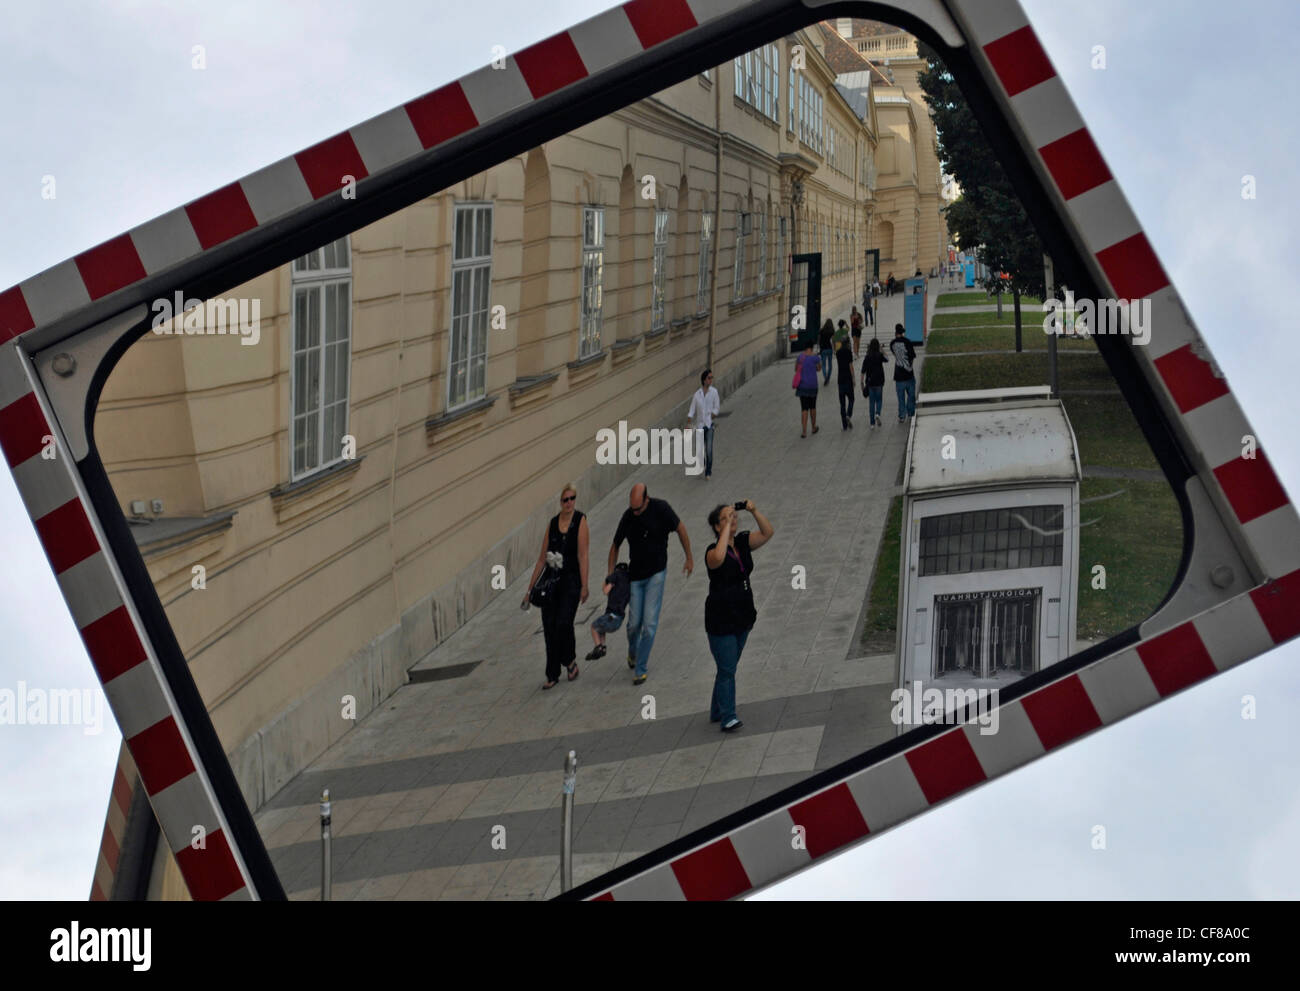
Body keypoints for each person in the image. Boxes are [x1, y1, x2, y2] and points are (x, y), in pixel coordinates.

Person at [609, 483, 693, 685]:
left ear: (646, 499)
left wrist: (689, 557)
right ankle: (633, 653)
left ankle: (641, 668)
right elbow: (615, 545)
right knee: (633, 625)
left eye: (638, 508)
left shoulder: (661, 508)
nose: (635, 512)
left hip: (656, 573)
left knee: (649, 624)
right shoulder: (628, 516)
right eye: (632, 508)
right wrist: (610, 576)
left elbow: (680, 528)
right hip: (636, 577)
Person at [704, 499, 774, 732]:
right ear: (716, 527)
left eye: (733, 517)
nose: (732, 520)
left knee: (728, 666)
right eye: (725, 518)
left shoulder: (743, 542)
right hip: (720, 619)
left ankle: (716, 709)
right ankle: (728, 717)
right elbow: (720, 558)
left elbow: (767, 532)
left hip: (744, 615)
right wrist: (725, 530)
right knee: (727, 670)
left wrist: (754, 510)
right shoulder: (712, 553)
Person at [524, 483, 589, 689]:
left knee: (563, 624)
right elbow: (542, 559)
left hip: (570, 580)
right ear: (560, 502)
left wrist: (584, 585)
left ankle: (569, 661)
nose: (569, 503)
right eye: (565, 499)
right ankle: (552, 673)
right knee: (549, 628)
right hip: (551, 582)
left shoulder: (580, 521)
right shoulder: (552, 524)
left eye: (572, 498)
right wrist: (529, 589)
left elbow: (583, 555)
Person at [585, 561, 630, 660]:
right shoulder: (628, 581)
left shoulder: (615, 576)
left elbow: (605, 591)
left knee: (594, 626)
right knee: (602, 627)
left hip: (612, 615)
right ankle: (603, 647)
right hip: (619, 620)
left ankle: (598, 647)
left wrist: (608, 582)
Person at [686, 368, 720, 480]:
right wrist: (689, 423)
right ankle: (703, 463)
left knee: (709, 449)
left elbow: (717, 407)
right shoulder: (697, 395)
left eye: (711, 378)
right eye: (709, 378)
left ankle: (708, 471)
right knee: (700, 451)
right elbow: (692, 410)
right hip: (700, 426)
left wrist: (712, 416)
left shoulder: (714, 392)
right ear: (704, 380)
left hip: (709, 426)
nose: (711, 380)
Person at [793, 337, 820, 438]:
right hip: (813, 385)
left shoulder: (800, 357)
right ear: (812, 347)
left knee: (804, 408)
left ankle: (804, 431)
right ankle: (813, 427)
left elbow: (796, 369)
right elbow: (819, 368)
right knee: (812, 406)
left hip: (802, 385)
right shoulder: (815, 357)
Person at [890, 323, 917, 421]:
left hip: (898, 375)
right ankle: (910, 413)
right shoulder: (908, 342)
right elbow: (912, 356)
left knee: (900, 398)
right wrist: (910, 365)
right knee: (911, 396)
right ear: (902, 332)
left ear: (895, 332)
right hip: (909, 374)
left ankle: (902, 416)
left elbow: (896, 356)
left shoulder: (892, 344)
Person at [861, 337, 887, 427]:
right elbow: (887, 359)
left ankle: (872, 423)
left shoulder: (867, 357)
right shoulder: (879, 355)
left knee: (871, 403)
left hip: (870, 382)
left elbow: (863, 370)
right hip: (879, 381)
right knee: (879, 400)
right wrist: (882, 349)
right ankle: (878, 414)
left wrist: (861, 383)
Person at [835, 334, 856, 430]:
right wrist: (854, 378)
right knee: (851, 399)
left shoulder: (838, 352)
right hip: (848, 379)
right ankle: (848, 414)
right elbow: (850, 366)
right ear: (848, 342)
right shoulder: (848, 352)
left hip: (840, 379)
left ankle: (844, 425)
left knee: (842, 403)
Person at [818, 318, 835, 386]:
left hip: (823, 349)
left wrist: (820, 347)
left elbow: (818, 340)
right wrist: (834, 349)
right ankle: (828, 377)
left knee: (824, 365)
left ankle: (826, 378)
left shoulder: (821, 330)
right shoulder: (832, 331)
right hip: (829, 348)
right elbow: (833, 340)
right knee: (830, 364)